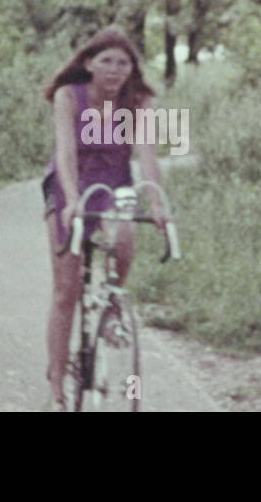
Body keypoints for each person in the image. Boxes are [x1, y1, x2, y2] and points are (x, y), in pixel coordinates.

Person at [40, 26, 169, 411]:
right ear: (88, 63)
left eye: (123, 62)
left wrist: (158, 203)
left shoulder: (138, 101)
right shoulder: (69, 96)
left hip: (115, 181)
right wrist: (73, 199)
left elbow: (146, 154)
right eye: (106, 61)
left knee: (125, 232)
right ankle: (57, 378)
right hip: (70, 182)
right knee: (67, 288)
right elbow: (65, 151)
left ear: (132, 68)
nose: (114, 70)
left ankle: (113, 302)